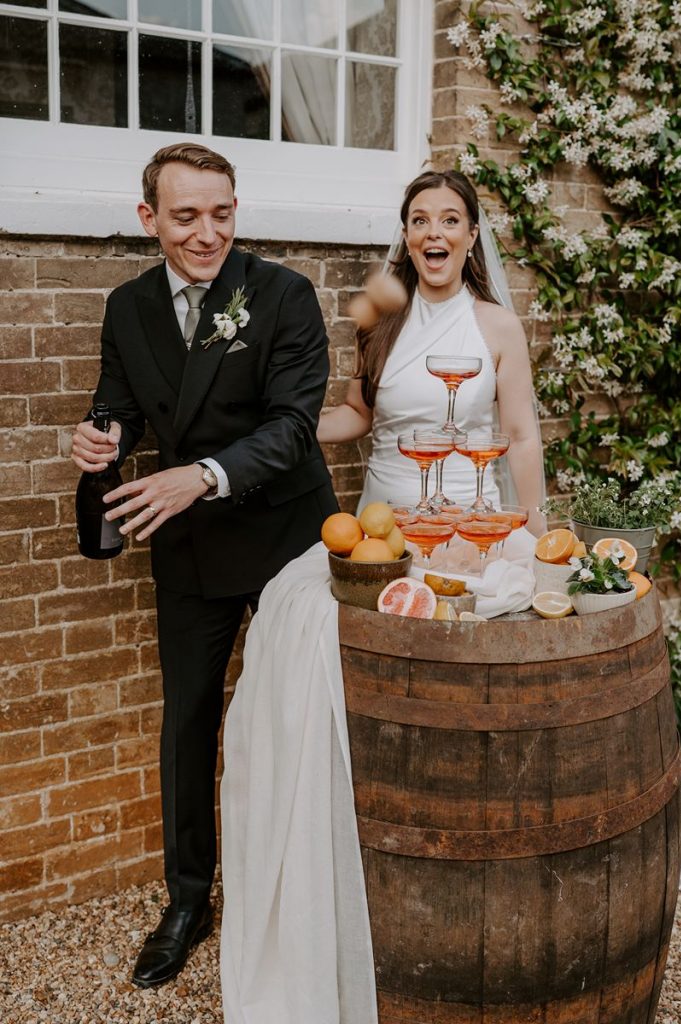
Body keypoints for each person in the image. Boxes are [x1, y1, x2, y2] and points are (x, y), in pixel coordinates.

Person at [70, 142, 337, 989]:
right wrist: (102, 436)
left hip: (288, 539)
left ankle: (313, 891)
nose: (207, 233)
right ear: (148, 218)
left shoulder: (284, 294)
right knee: (186, 724)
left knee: (303, 718)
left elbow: (293, 427)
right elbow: (119, 404)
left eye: (221, 214)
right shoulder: (127, 306)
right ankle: (187, 900)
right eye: (185, 216)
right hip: (187, 547)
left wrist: (204, 474)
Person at [317, 169, 546, 537]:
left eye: (450, 220)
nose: (433, 232)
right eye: (420, 220)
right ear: (407, 237)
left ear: (471, 235)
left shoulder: (500, 327)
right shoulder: (378, 324)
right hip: (383, 526)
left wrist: (538, 535)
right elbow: (358, 413)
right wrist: (290, 429)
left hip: (469, 524)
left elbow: (520, 438)